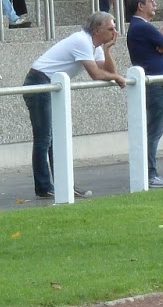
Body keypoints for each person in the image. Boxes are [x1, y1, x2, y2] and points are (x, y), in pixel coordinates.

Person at [23, 13, 124, 198]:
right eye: (111, 29)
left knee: (55, 139)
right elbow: (96, 74)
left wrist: (108, 51)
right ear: (97, 30)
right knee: (44, 138)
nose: (115, 32)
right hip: (39, 81)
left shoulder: (95, 46)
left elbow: (109, 71)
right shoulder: (82, 41)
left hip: (50, 84)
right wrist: (117, 78)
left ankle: (62, 184)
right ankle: (44, 187)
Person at [126, 0, 163, 188]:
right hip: (155, 85)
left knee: (152, 131)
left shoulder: (141, 27)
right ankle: (149, 174)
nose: (155, 5)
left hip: (157, 84)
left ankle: (149, 172)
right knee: (153, 132)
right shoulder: (142, 27)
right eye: (150, 1)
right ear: (140, 6)